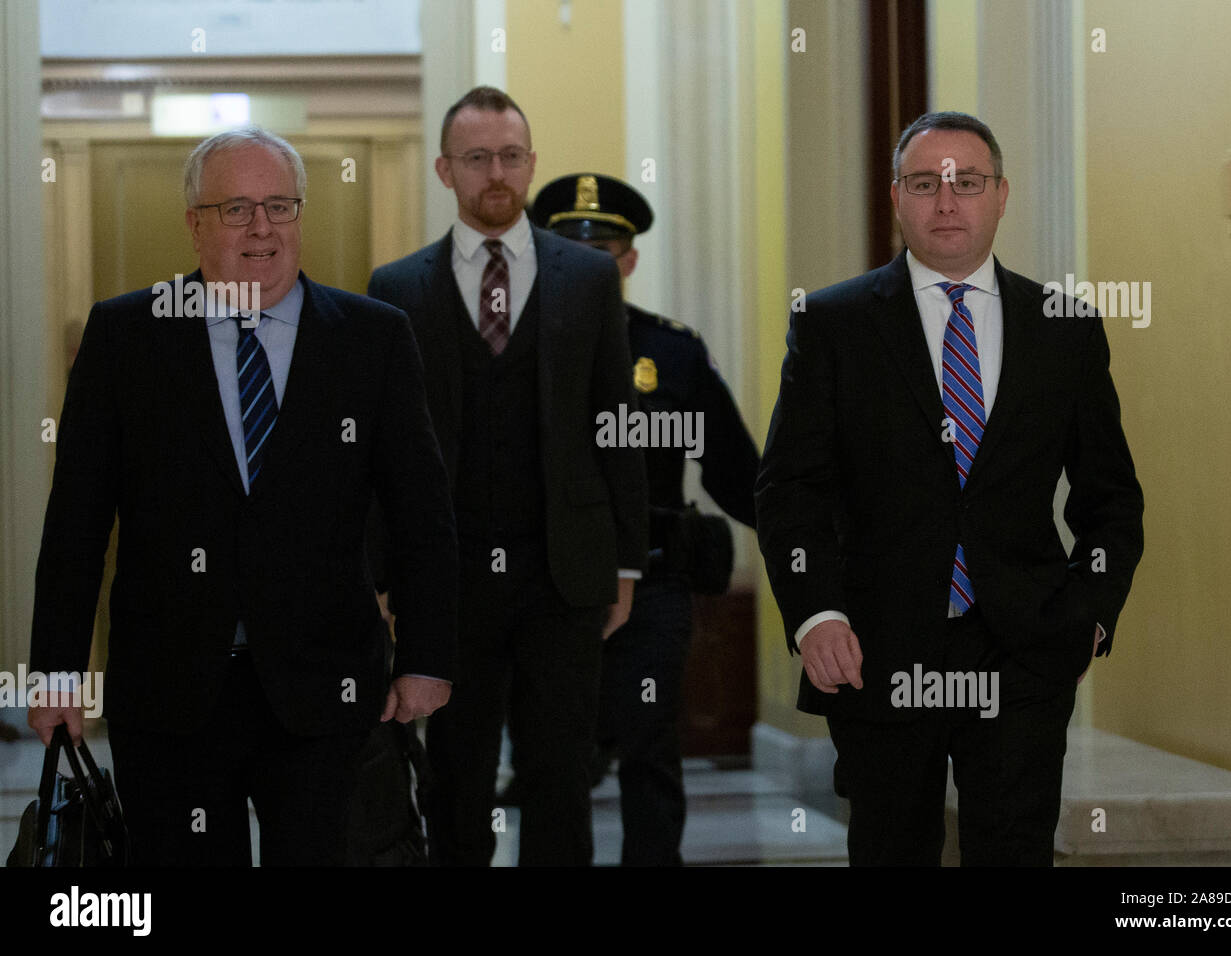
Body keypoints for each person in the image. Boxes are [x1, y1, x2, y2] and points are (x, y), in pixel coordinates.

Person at [26, 126, 458, 866]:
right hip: (170, 695)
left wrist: (427, 657)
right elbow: (76, 521)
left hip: (326, 690)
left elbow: (422, 513)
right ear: (194, 224)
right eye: (236, 209)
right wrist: (57, 670)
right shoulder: (126, 336)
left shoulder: (373, 338)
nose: (262, 228)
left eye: (280, 206)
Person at [755, 111, 1144, 866]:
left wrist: (1091, 615)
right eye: (924, 183)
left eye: (966, 182)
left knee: (1015, 850)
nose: (946, 202)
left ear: (1001, 194)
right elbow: (790, 490)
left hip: (1024, 649)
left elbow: (1111, 498)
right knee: (892, 849)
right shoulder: (833, 324)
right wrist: (816, 614)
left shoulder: (1064, 327)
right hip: (876, 647)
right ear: (895, 197)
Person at [367, 88, 648, 866]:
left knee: (560, 774)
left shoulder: (588, 278)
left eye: (511, 156)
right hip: (447, 577)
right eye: (477, 158)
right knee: (456, 775)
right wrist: (383, 573)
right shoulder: (397, 288)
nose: (497, 173)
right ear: (444, 169)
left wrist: (627, 562)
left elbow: (616, 422)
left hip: (563, 570)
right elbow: (384, 454)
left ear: (531, 162)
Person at [532, 173, 761, 865]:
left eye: (604, 252)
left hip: (656, 581)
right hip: (547, 583)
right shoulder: (519, 349)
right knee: (552, 760)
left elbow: (735, 471)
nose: (589, 265)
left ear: (629, 260)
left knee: (650, 750)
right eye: (572, 251)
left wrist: (812, 539)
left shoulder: (673, 352)